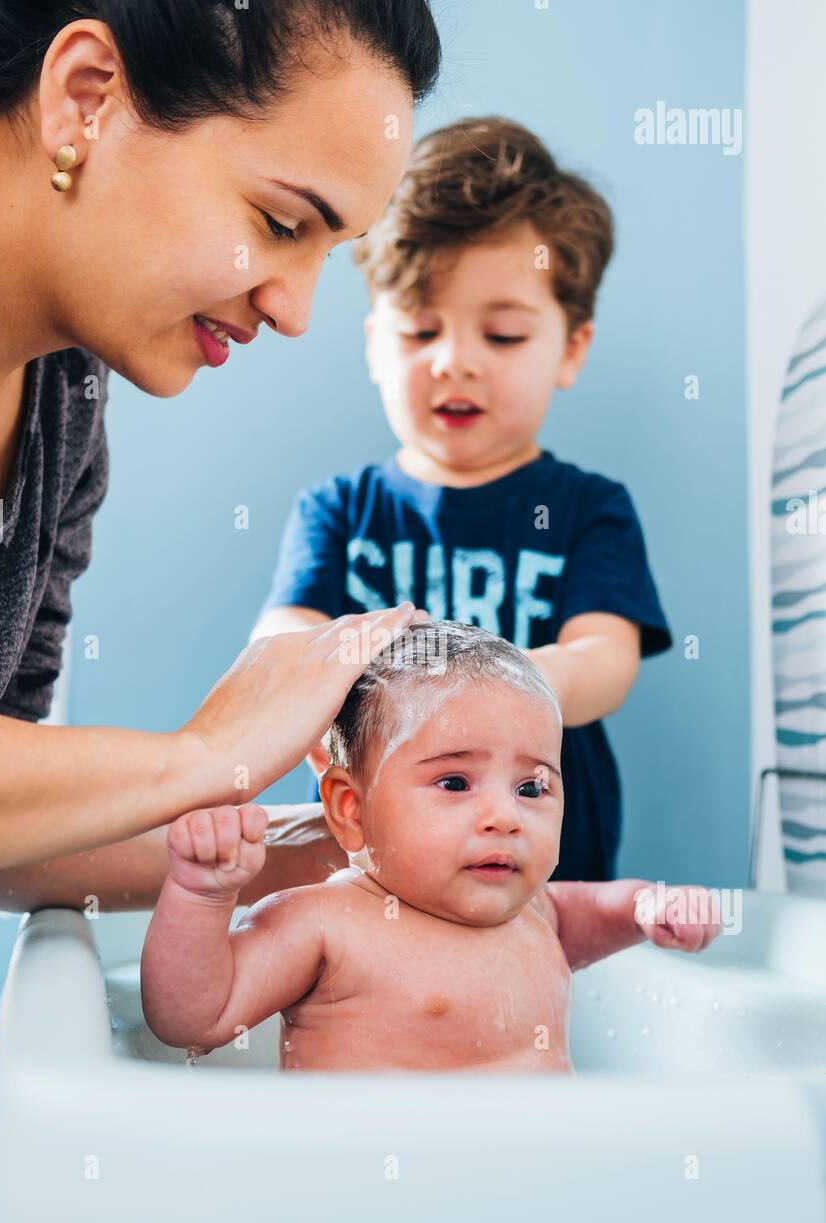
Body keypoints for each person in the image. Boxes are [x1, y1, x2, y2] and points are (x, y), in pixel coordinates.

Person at [0, 0, 443, 909]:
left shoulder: (66, 406)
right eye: (279, 222)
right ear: (87, 96)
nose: (295, 312)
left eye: (330, 253)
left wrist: (332, 849)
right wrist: (213, 753)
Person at [253, 116, 672, 881]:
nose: (455, 363)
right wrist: (297, 683)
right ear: (375, 340)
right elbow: (283, 645)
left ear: (570, 348)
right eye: (419, 331)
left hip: (543, 876)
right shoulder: (339, 512)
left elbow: (604, 660)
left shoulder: (589, 509)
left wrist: (507, 687)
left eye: (503, 336)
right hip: (368, 878)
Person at [140, 623, 719, 1072]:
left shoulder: (535, 911)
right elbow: (193, 1017)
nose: (504, 816)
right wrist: (201, 895)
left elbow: (588, 912)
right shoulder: (322, 924)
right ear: (351, 808)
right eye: (455, 783)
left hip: (536, 1189)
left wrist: (647, 907)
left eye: (531, 787)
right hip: (383, 1201)